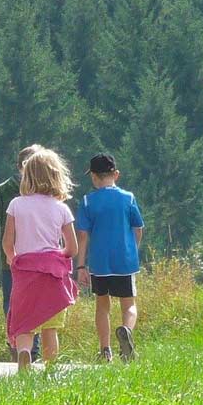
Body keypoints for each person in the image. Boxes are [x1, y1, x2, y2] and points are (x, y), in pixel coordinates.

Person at [2, 147, 79, 371]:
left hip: (26, 271)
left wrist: (13, 259)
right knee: (50, 327)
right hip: (52, 274)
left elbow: (8, 242)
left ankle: (24, 354)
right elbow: (72, 248)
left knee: (25, 323)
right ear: (57, 175)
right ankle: (50, 367)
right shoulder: (62, 209)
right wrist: (57, 257)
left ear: (27, 176)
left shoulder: (16, 204)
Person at [0, 144, 43, 360]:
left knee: (17, 304)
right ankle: (27, 348)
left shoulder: (10, 190)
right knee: (29, 304)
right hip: (28, 261)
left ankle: (24, 347)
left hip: (16, 260)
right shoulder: (9, 191)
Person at [74, 153, 145, 362]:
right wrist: (133, 249)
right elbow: (138, 228)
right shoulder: (128, 198)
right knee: (129, 304)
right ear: (116, 174)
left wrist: (80, 266)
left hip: (99, 262)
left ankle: (105, 350)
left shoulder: (88, 201)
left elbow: (83, 235)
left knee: (102, 305)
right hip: (125, 259)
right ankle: (126, 331)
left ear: (94, 177)